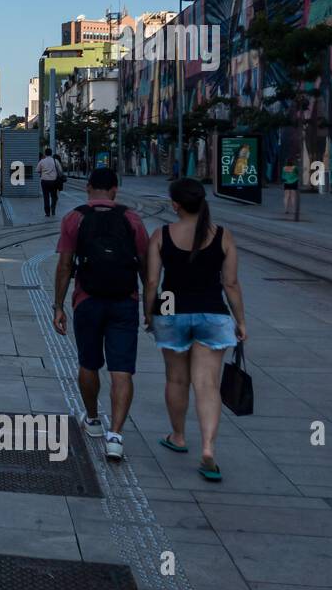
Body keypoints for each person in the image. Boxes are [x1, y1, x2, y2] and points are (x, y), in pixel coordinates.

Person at [144, 178, 246, 482]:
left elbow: (152, 283)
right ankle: (208, 449)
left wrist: (150, 315)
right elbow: (230, 284)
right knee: (207, 384)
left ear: (175, 205)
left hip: (171, 309)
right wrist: (240, 321)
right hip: (213, 313)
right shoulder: (224, 236)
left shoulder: (161, 235)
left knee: (176, 379)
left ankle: (178, 436)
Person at [53, 167, 149, 462]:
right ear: (115, 189)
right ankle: (116, 436)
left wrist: (57, 306)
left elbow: (66, 266)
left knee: (88, 363)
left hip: (87, 299)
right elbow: (147, 266)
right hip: (125, 301)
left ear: (88, 187)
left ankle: (93, 420)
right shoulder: (131, 218)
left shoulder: (75, 218)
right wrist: (153, 307)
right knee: (122, 370)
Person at [38, 147, 63, 217]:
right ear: (51, 153)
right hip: (53, 181)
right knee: (54, 196)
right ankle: (53, 209)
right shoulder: (55, 161)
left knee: (46, 197)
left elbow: (37, 170)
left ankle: (47, 213)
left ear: (45, 154)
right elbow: (60, 171)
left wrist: (43, 171)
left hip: (44, 181)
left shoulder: (42, 161)